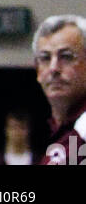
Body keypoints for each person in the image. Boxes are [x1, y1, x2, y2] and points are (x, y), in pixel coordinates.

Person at [33, 15, 86, 164]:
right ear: (37, 70)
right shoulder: (60, 134)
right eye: (45, 58)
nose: (53, 68)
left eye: (66, 57)